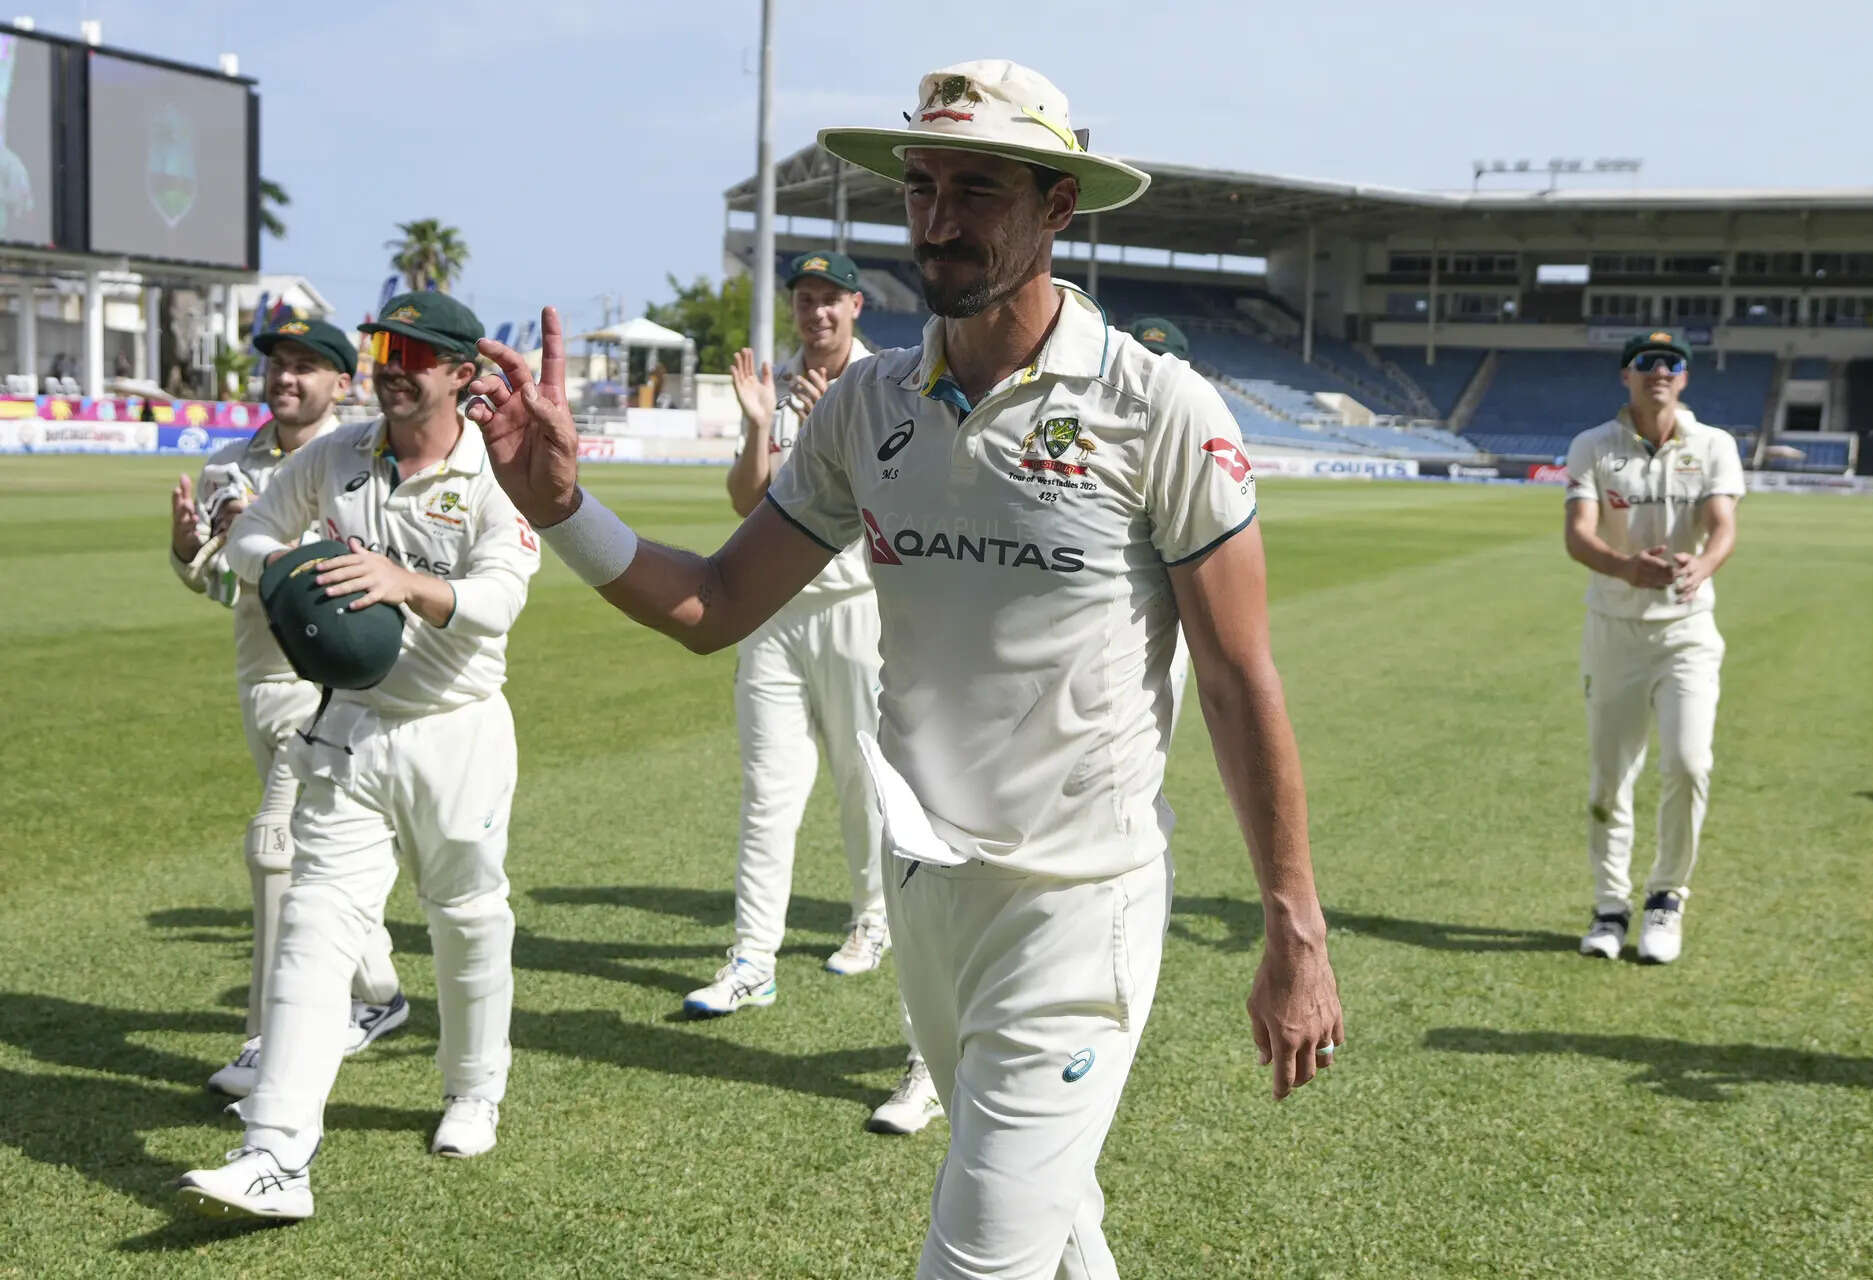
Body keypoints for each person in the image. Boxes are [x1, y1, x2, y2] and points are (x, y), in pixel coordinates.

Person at [471, 60, 1342, 1278]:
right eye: (922, 184)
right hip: (926, 892)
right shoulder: (865, 406)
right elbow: (716, 602)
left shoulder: (1160, 410)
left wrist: (1293, 927)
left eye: (977, 187)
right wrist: (564, 507)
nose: (937, 216)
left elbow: (1244, 677)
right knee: (1058, 1224)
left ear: (1057, 209)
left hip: (1077, 904)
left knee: (979, 1254)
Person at [174, 292, 542, 1221]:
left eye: (414, 353)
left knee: (465, 916)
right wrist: (286, 572)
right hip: (351, 725)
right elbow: (253, 530)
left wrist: (402, 583)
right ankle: (273, 1156)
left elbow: (501, 598)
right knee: (313, 921)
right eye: (385, 346)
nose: (392, 365)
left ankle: (473, 1088)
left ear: (462, 374)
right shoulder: (336, 456)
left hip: (457, 728)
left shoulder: (497, 469)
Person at [715, 249, 939, 1135]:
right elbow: (748, 505)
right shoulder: (773, 385)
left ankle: (870, 923)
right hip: (774, 611)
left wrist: (822, 433)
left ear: (854, 304)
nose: (813, 314)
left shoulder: (886, 384)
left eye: (826, 299)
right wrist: (756, 429)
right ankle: (751, 958)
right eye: (801, 300)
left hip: (854, 606)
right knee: (768, 791)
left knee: (862, 785)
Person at [166, 315, 408, 1100]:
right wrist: (188, 549)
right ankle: (379, 994)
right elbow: (214, 584)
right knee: (317, 851)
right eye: (277, 364)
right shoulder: (227, 465)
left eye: (307, 366)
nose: (286, 378)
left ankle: (269, 1041)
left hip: (333, 685)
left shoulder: (361, 458)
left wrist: (276, 537)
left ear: (343, 383)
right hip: (261, 682)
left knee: (274, 847)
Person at [1563, 330, 1743, 965]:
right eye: (1647, 362)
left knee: (1690, 764)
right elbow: (1578, 536)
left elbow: (1723, 526)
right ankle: (1610, 907)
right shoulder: (1593, 446)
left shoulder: (1713, 445)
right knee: (1611, 777)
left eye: (1673, 363)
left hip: (1687, 634)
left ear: (1685, 378)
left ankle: (1665, 898)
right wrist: (1624, 567)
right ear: (1627, 375)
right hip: (1614, 630)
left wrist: (1704, 567)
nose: (1660, 370)